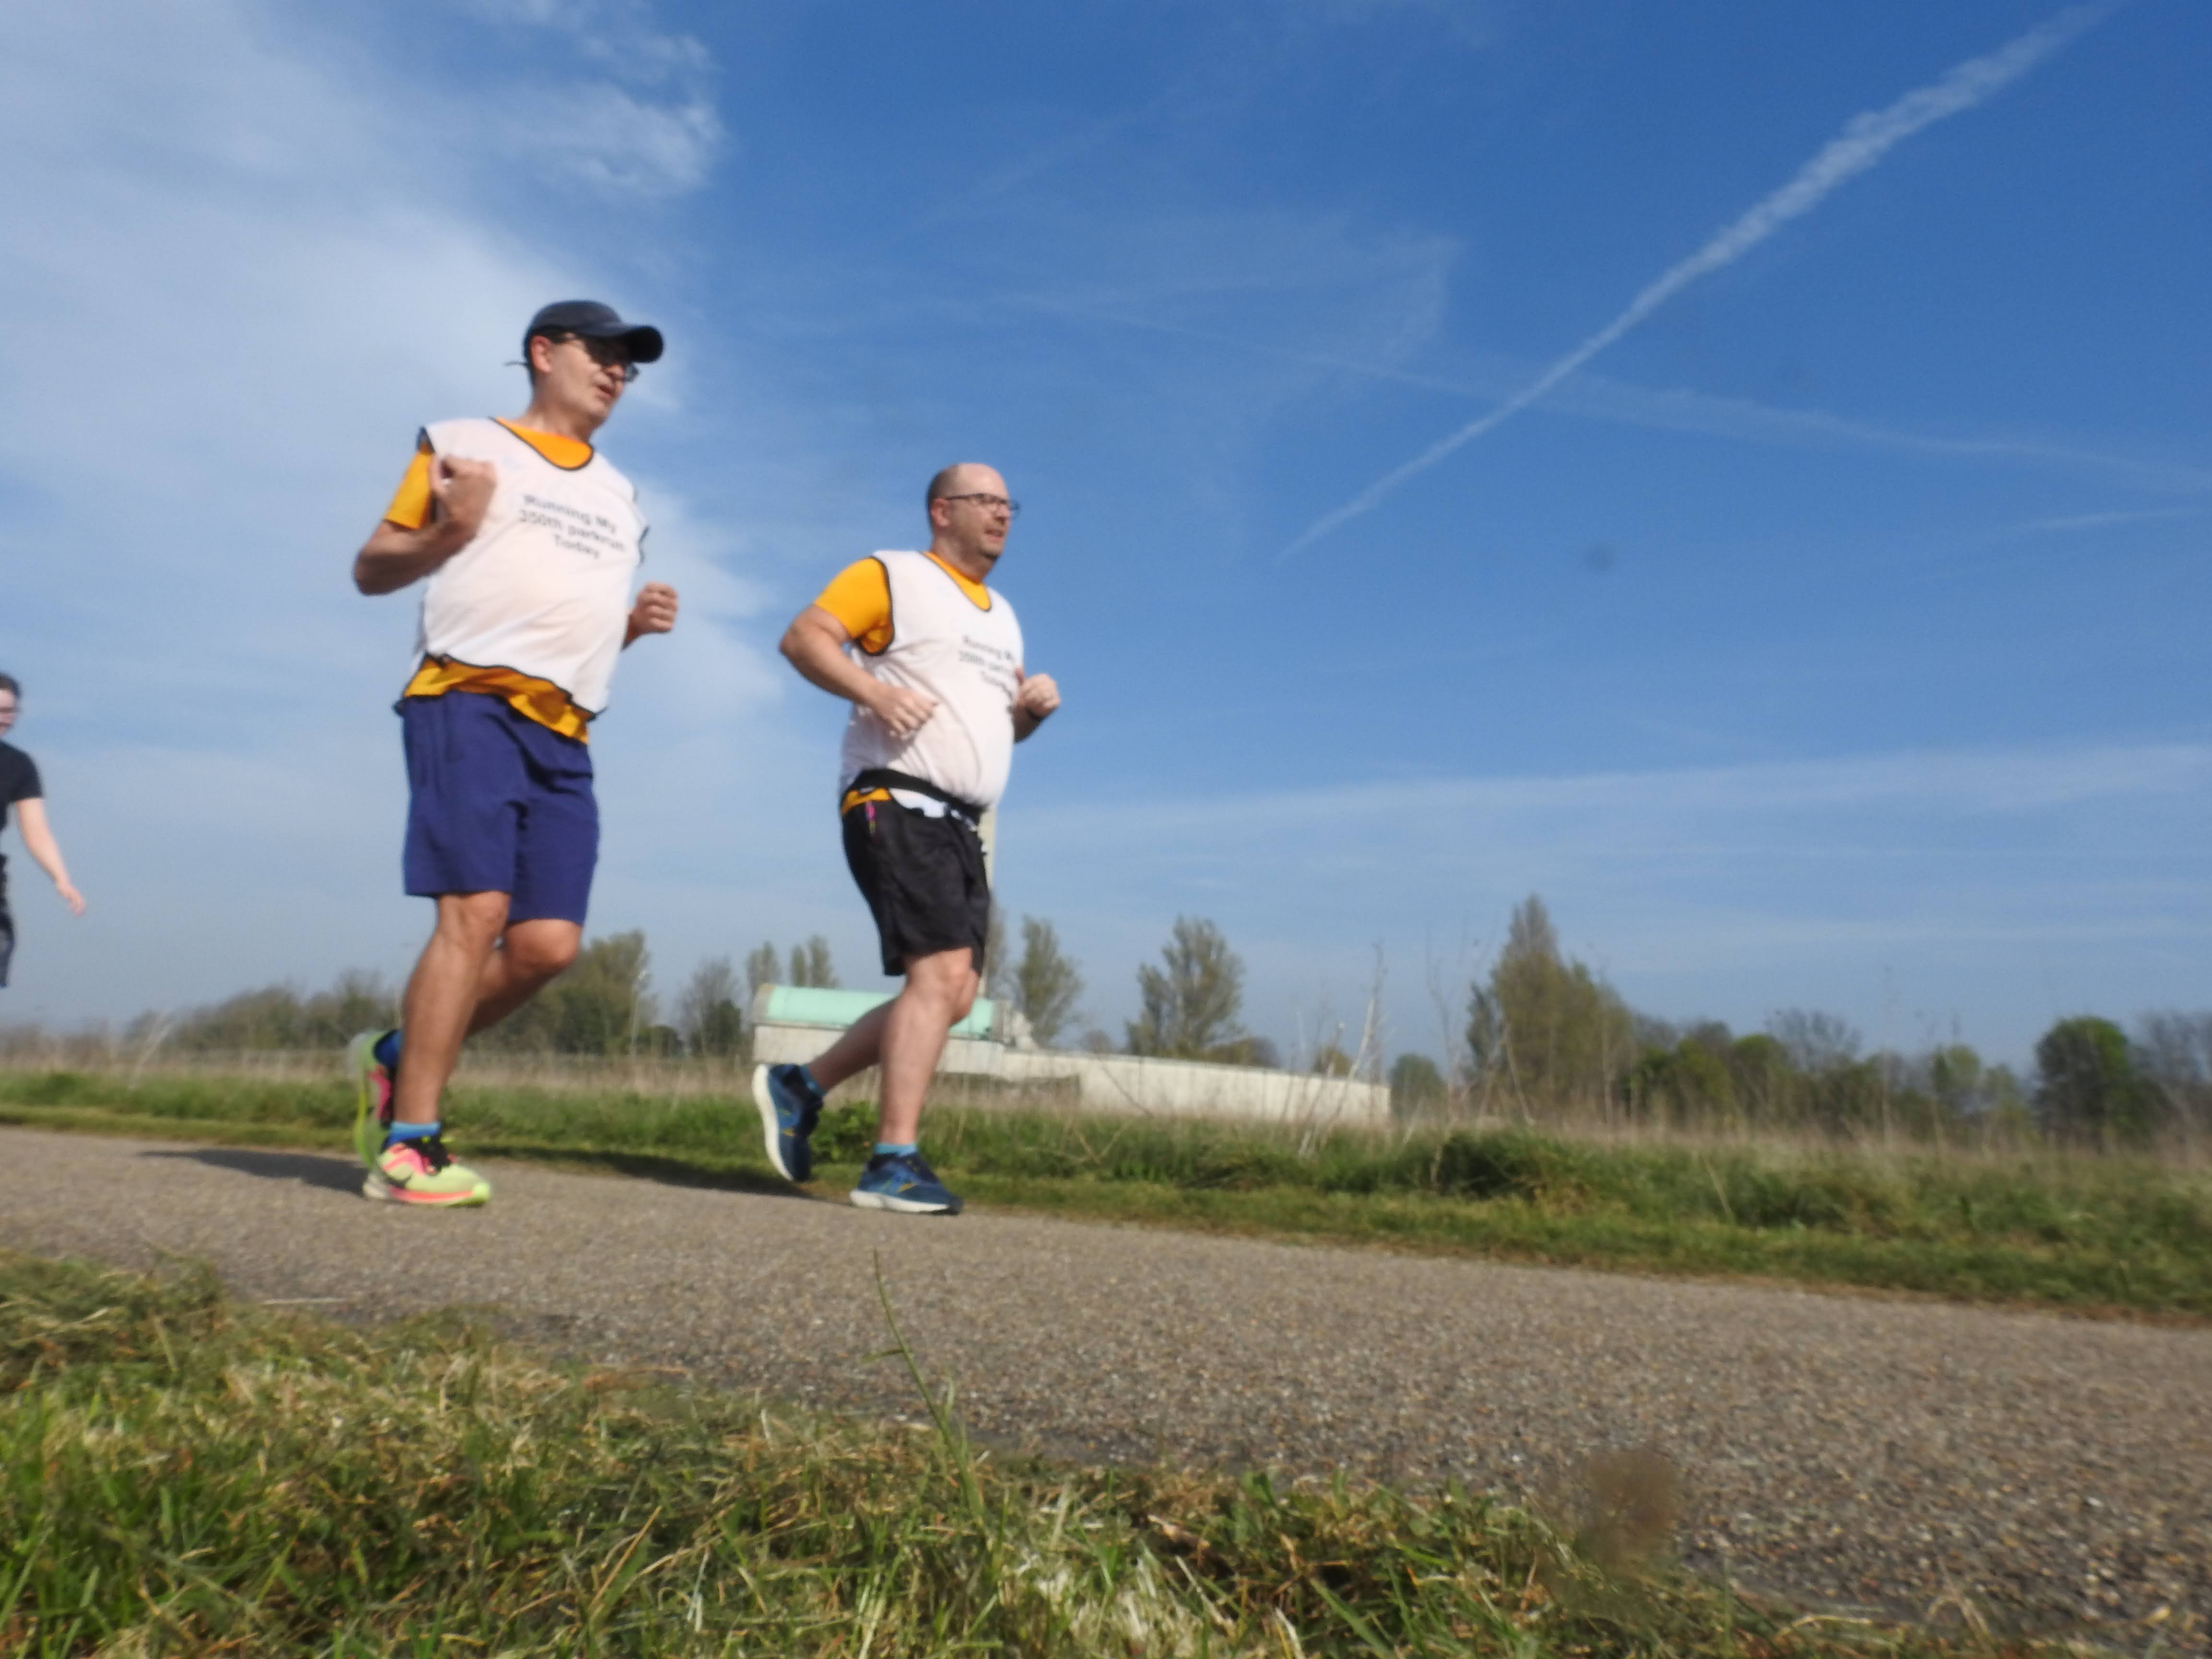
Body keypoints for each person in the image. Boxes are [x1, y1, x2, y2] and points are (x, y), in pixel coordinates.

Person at [346, 301, 679, 1208]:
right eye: (599, 352)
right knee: (475, 910)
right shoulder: (462, 445)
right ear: (542, 351)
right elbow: (372, 568)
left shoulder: (621, 498)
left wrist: (630, 630)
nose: (615, 372)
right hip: (466, 697)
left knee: (545, 946)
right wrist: (453, 528)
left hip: (564, 729)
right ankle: (410, 1145)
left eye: (627, 363)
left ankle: (398, 1054)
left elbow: (567, 628)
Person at [755, 463, 1060, 1214]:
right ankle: (892, 1160)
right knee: (940, 973)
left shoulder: (1003, 616)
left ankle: (802, 1086)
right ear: (941, 511)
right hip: (895, 796)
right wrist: (874, 690)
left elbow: (994, 731)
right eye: (986, 501)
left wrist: (1027, 716)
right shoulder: (891, 574)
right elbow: (804, 638)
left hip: (961, 820)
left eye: (1009, 504)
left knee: (954, 994)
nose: (1003, 514)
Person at [0, 673, 87, 988]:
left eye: (10, 711)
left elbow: (36, 830)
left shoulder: (18, 765)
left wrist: (61, 879)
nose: (4, 718)